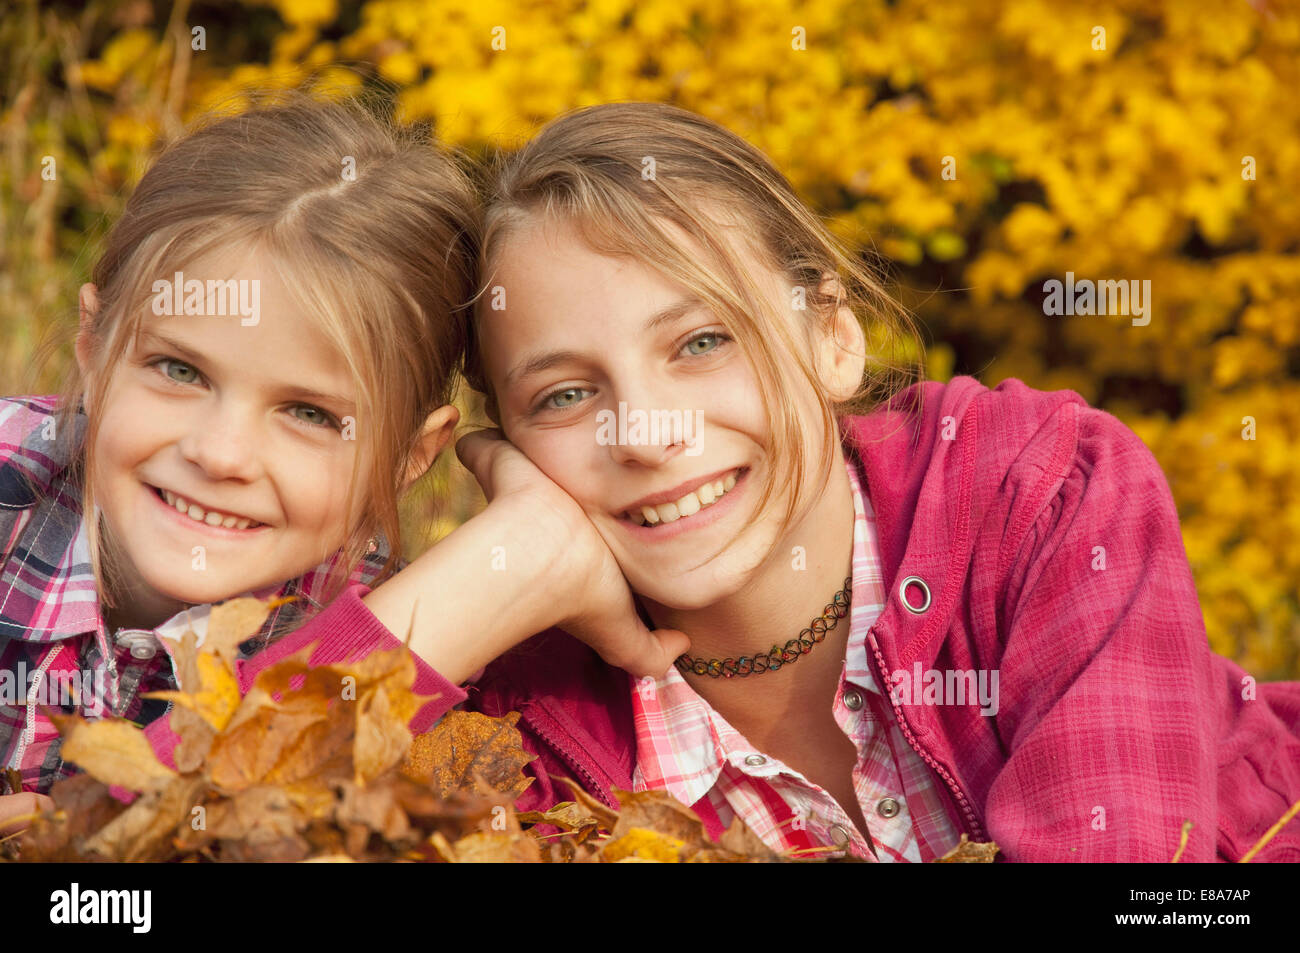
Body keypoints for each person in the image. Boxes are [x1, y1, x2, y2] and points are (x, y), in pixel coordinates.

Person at [448, 101, 1300, 862]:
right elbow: (314, 786)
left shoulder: (1040, 493)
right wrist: (483, 578)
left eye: (702, 342)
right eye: (564, 395)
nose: (645, 432)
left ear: (834, 338)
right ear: (509, 446)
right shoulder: (519, 728)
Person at [0, 93, 688, 839]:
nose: (220, 452)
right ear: (94, 347)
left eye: (309, 414)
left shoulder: (377, 620)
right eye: (178, 369)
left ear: (408, 458)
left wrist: (514, 564)